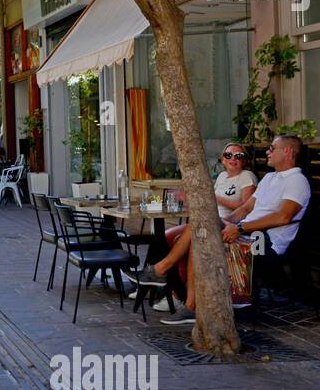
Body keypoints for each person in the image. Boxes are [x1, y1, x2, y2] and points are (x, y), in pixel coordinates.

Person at [132, 134, 310, 324]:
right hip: (248, 231)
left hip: (266, 242)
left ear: (288, 151)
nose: (268, 152)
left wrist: (240, 228)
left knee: (200, 235)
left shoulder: (296, 181)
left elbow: (284, 216)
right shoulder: (270, 178)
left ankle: (168, 280)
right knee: (201, 228)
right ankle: (184, 297)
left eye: (272, 148)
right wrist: (224, 222)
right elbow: (246, 208)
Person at [149, 142, 258, 311]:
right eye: (229, 155)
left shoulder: (247, 176)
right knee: (164, 237)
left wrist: (212, 197)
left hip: (225, 223)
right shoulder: (222, 177)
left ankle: (177, 295)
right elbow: (210, 202)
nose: (233, 159)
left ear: (245, 160)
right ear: (222, 160)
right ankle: (155, 284)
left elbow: (243, 205)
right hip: (209, 218)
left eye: (239, 156)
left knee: (182, 241)